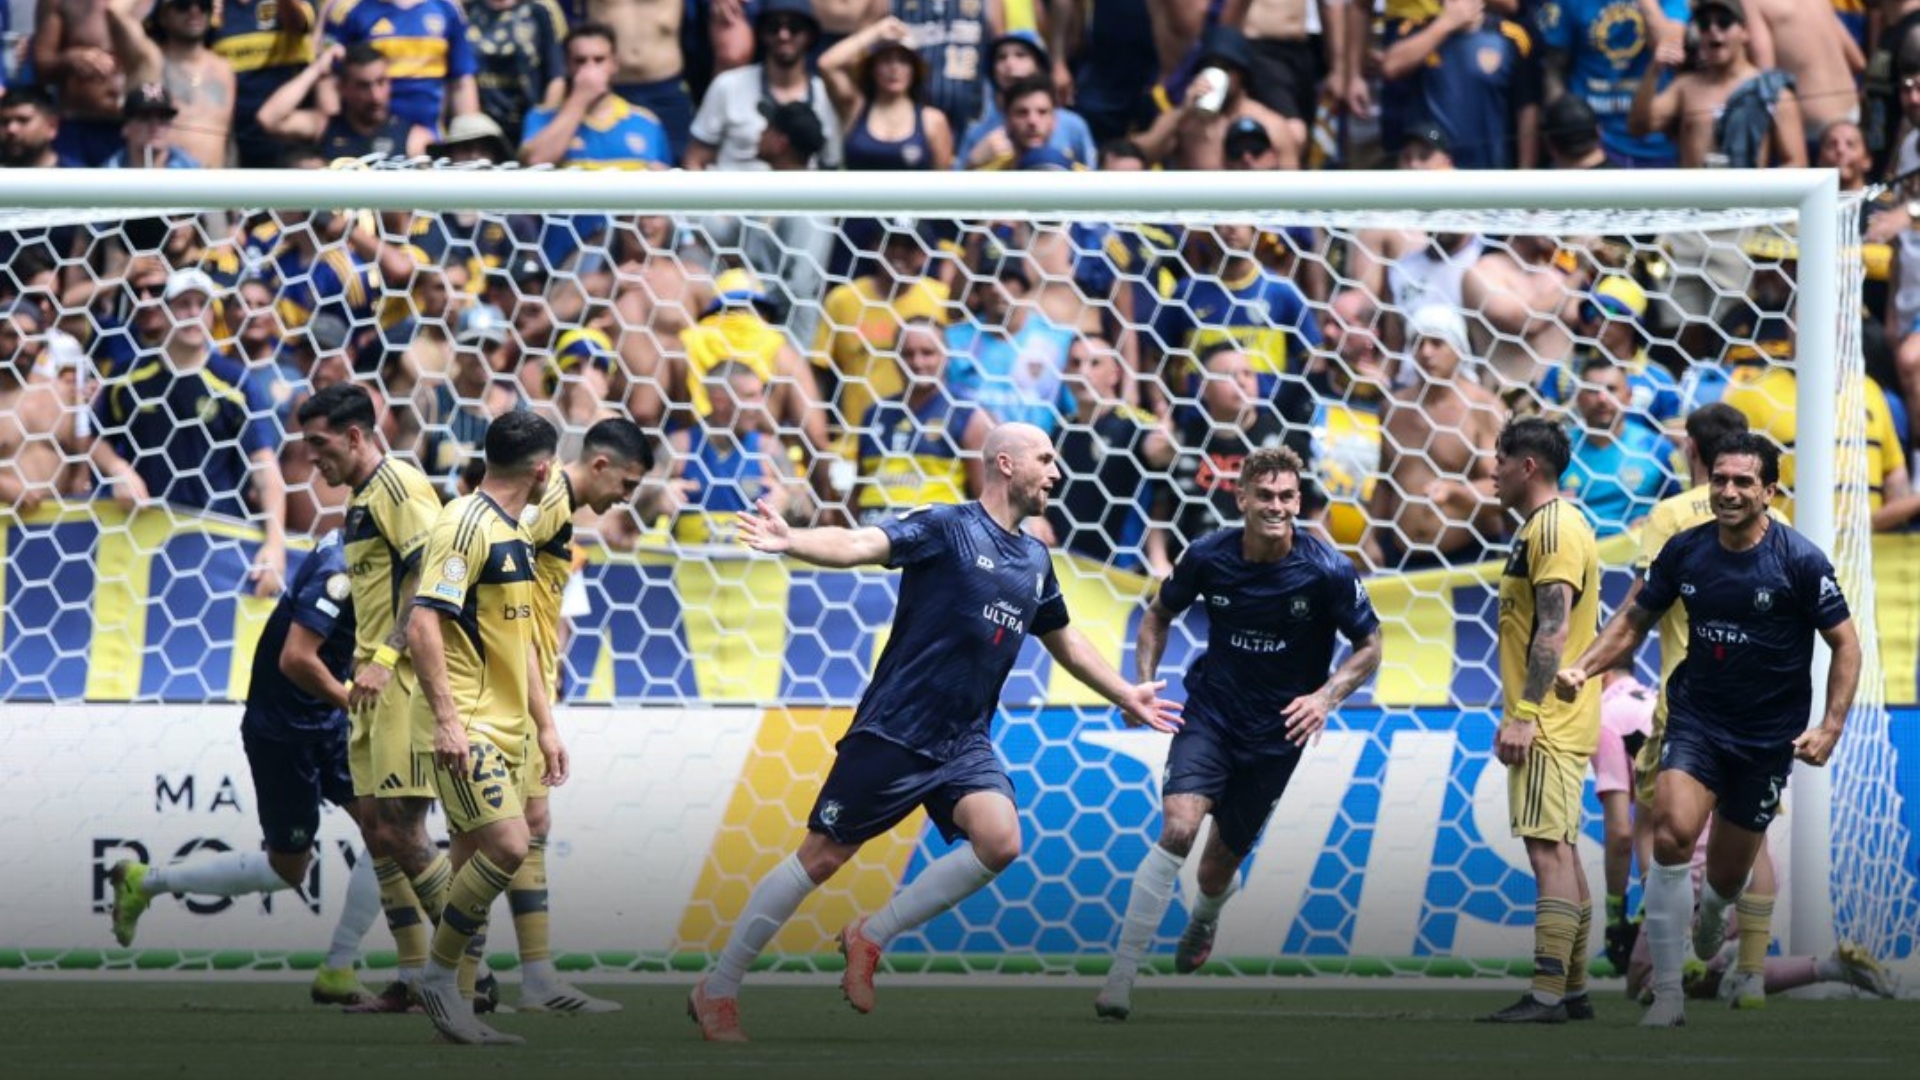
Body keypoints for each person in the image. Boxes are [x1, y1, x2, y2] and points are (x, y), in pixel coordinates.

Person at [687, 422, 1182, 1043]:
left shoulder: (1034, 558)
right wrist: (793, 540)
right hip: (898, 727)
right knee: (822, 856)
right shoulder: (947, 525)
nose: (1057, 473)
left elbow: (1065, 640)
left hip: (964, 739)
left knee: (1000, 840)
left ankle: (871, 934)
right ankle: (719, 987)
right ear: (1005, 464)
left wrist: (1125, 691)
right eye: (1046, 460)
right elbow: (861, 542)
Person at [1555, 432, 1860, 1028]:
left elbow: (1845, 643)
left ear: (1769, 491)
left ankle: (1715, 911)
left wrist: (1831, 725)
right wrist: (1583, 666)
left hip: (1766, 736)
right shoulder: (1684, 551)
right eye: (1720, 478)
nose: (1728, 491)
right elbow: (1633, 620)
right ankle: (1668, 996)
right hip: (1697, 718)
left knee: (1724, 879)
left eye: (1743, 481)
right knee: (1669, 837)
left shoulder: (1800, 561)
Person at [1095, 446, 1383, 1021]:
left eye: (1287, 497)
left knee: (1214, 867)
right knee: (1178, 828)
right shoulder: (1207, 556)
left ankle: (1203, 918)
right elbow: (1157, 614)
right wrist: (1144, 683)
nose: (1276, 507)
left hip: (1279, 733)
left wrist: (1326, 696)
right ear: (1242, 497)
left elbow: (1371, 645)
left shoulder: (1326, 569)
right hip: (1213, 716)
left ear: (1298, 502)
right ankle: (1120, 976)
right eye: (1265, 496)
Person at [107, 530, 385, 1007]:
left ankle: (341, 966)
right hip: (284, 731)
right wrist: (356, 705)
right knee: (289, 870)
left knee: (390, 832)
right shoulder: (340, 567)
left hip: (328, 721)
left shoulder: (363, 546)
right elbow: (297, 658)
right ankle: (146, 882)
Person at [406, 409, 568, 1045]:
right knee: (509, 844)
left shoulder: (514, 530)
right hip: (466, 723)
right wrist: (447, 720)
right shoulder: (463, 523)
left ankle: (461, 1006)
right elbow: (424, 623)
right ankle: (438, 979)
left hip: (507, 724)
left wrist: (546, 727)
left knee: (474, 859)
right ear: (543, 469)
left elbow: (520, 635)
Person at [292, 382, 449, 1014]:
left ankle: (471, 970)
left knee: (404, 830)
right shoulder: (359, 503)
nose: (312, 459)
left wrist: (386, 655)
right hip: (366, 688)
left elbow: (431, 573)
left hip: (400, 681)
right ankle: (413, 978)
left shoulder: (400, 486)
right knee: (379, 832)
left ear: (357, 436)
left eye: (320, 444)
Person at [507, 418, 658, 1013]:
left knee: (528, 826)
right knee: (498, 836)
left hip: (526, 681)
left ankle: (521, 976)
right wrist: (538, 707)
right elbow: (500, 597)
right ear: (600, 465)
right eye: (627, 483)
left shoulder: (558, 511)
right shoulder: (546, 506)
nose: (628, 497)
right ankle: (448, 975)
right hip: (507, 688)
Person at [1478, 417, 1603, 1024]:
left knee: (1548, 852)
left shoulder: (1552, 528)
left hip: (1547, 718)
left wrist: (1525, 714)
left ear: (1527, 466)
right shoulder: (1553, 524)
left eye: (1500, 460)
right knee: (1566, 853)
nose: (1492, 472)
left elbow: (1553, 627)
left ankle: (1548, 994)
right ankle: (1573, 991)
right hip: (1561, 715)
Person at [93, 267, 288, 596]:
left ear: (212, 315)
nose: (193, 313)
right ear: (165, 311)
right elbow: (92, 438)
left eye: (202, 304)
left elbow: (264, 465)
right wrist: (116, 468)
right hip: (144, 539)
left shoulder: (234, 382)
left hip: (217, 542)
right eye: (184, 304)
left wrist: (275, 544)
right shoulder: (128, 376)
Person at [1362, 305, 1506, 572]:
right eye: (1417, 343)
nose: (1426, 352)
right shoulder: (1393, 407)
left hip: (1466, 557)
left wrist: (1457, 492)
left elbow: (1503, 489)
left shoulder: (1483, 409)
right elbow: (1384, 480)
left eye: (1437, 343)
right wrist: (1369, 537)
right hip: (1400, 557)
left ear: (1459, 349)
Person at [1628, 0, 1807, 169]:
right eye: (1704, 24)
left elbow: (1797, 164)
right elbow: (1639, 126)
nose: (1713, 30)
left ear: (1745, 31)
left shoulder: (1771, 91)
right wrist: (1655, 69)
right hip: (1694, 199)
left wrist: (1753, 187)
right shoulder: (1685, 87)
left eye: (1724, 22)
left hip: (1749, 199)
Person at [850, 317, 991, 525]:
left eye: (928, 353)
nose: (917, 363)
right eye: (908, 354)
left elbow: (986, 500)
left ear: (946, 356)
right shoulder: (875, 414)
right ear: (895, 357)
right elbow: (858, 489)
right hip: (870, 533)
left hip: (933, 539)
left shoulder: (967, 415)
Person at [520, 22, 674, 169]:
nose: (590, 69)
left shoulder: (645, 122)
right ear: (567, 66)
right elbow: (536, 161)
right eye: (580, 61)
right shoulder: (541, 117)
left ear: (614, 64)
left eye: (599, 60)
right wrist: (580, 99)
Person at [105, 0, 235, 168]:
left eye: (203, 5)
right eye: (183, 5)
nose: (194, 12)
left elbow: (229, 140)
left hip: (215, 189)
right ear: (164, 15)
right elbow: (115, 11)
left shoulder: (224, 69)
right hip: (164, 187)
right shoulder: (151, 60)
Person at [1561, 354, 1679, 537]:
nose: (1602, 398)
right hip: (1576, 558)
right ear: (1578, 397)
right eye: (1593, 390)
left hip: (1638, 559)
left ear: (1629, 396)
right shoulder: (1558, 448)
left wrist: (1657, 522)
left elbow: (1680, 506)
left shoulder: (1656, 448)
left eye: (1611, 389)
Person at [820, 16, 956, 171]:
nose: (894, 69)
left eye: (903, 61)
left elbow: (944, 187)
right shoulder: (855, 108)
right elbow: (827, 64)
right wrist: (876, 31)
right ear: (872, 67)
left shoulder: (932, 121)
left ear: (914, 69)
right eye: (886, 60)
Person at [324, 0, 480, 131]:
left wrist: (469, 137)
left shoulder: (447, 7)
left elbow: (462, 82)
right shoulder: (346, 9)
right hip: (367, 138)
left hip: (430, 137)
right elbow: (329, 78)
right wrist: (336, 137)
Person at [1593, 667, 1654, 973]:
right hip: (1728, 867)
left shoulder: (1607, 717)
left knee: (1642, 982)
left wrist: (1615, 915)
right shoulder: (1657, 701)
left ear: (1602, 673)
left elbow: (1620, 834)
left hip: (1684, 884)